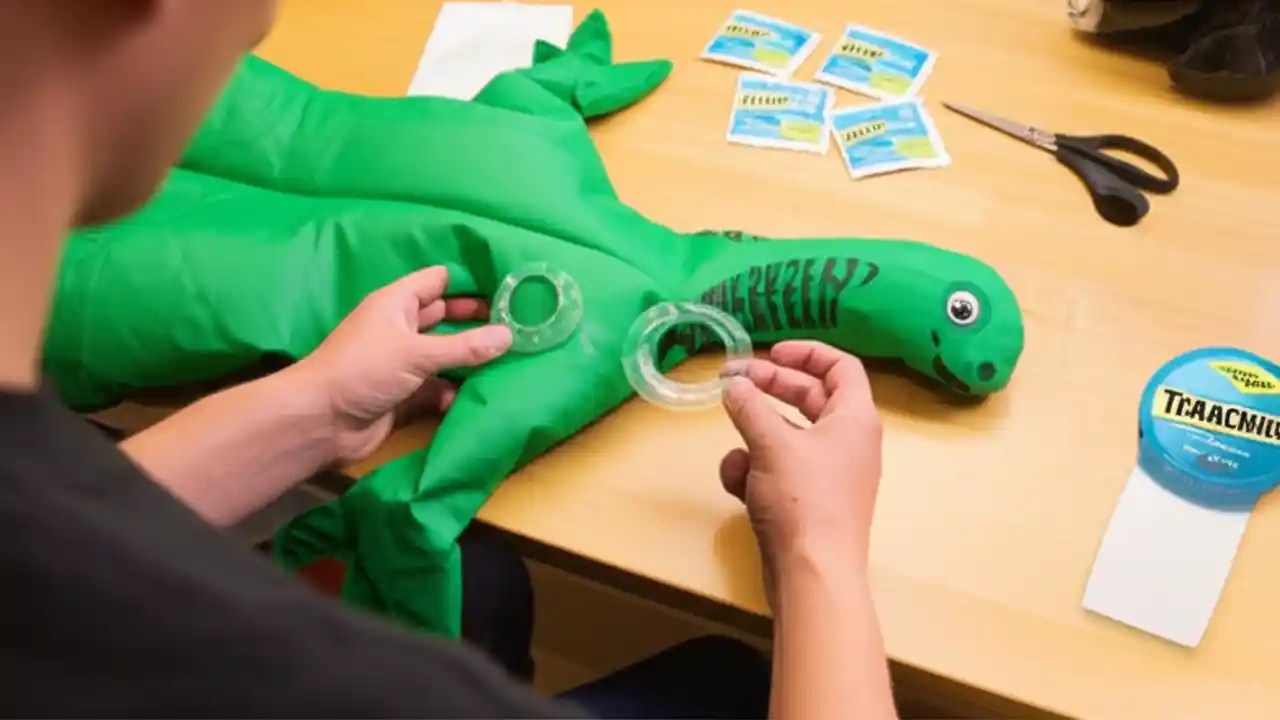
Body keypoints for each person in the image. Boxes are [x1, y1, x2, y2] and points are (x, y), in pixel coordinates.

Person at [0, 2, 896, 718]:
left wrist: (315, 405)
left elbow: (61, 539)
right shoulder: (357, 687)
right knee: (726, 684)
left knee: (487, 577)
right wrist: (819, 553)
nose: (264, 20)